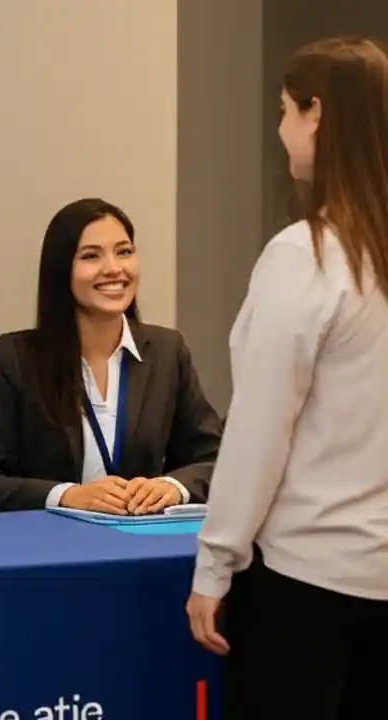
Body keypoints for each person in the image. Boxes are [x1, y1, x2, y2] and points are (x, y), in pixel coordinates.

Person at [187, 37, 388, 719]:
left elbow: (260, 430)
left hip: (307, 581)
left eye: (283, 110)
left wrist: (214, 565)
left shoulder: (305, 256)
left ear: (316, 115)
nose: (279, 130)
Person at [0, 198, 222, 514]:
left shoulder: (167, 351)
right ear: (61, 269)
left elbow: (215, 460)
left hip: (143, 543)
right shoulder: (19, 358)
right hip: (52, 548)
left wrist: (172, 487)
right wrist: (67, 496)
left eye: (124, 252)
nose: (114, 269)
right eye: (91, 256)